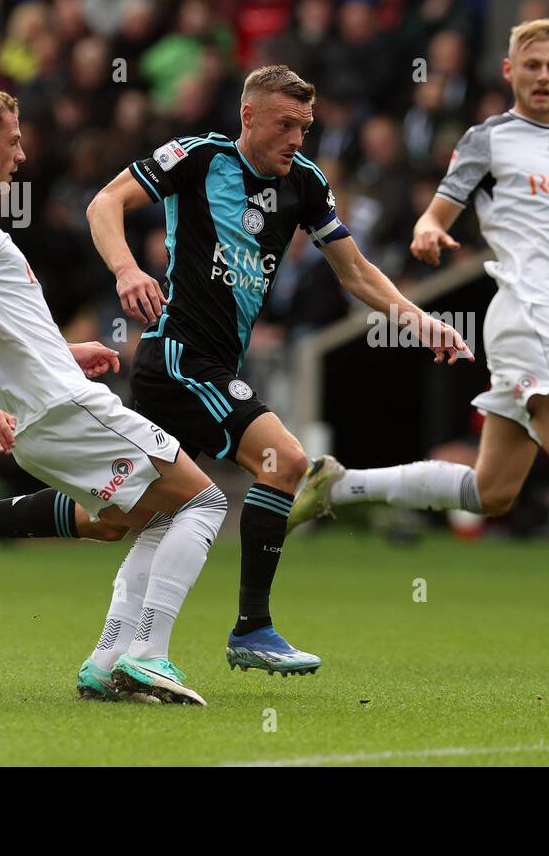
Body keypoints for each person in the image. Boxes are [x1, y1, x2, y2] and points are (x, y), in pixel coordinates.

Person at [287, 20, 549, 672]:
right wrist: (426, 233)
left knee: (493, 491)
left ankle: (339, 484)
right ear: (510, 73)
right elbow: (438, 211)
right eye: (529, 65)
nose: (541, 75)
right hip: (524, 317)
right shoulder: (489, 139)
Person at [85, 64, 469, 677]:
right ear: (249, 116)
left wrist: (416, 318)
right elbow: (105, 203)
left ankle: (104, 655)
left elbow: (355, 270)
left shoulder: (306, 184)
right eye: (286, 124)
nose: (298, 138)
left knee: (134, 515)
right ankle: (252, 628)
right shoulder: (197, 157)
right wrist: (128, 270)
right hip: (181, 357)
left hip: (209, 365)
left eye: (306, 127)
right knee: (283, 461)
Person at [0, 81, 227, 707]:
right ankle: (148, 654)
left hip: (39, 413)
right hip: (56, 407)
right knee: (203, 503)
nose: (21, 156)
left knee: (122, 520)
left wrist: (65, 350)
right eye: (13, 143)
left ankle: (106, 664)